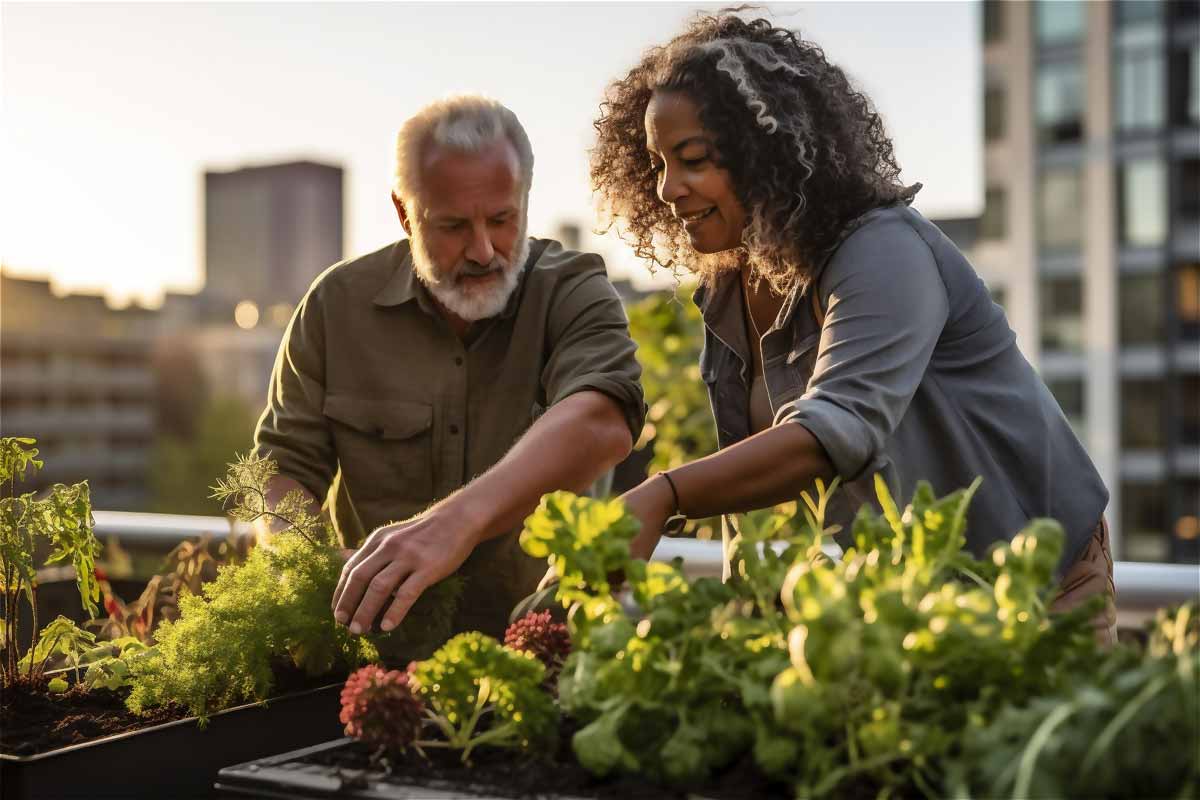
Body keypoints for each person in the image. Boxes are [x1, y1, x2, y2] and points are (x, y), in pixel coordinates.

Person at [589, 13, 1116, 643]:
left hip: (1033, 582)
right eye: (656, 165)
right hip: (909, 607)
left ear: (766, 151)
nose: (669, 188)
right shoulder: (728, 284)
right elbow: (765, 486)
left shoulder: (883, 250)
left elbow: (832, 433)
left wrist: (662, 495)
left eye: (693, 158)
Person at [253, 94, 644, 643]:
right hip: (373, 656)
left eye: (503, 219)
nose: (484, 250)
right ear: (403, 212)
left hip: (546, 653)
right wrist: (310, 567)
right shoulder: (334, 305)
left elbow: (602, 420)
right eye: (454, 225)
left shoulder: (574, 289)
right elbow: (281, 467)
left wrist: (454, 524)